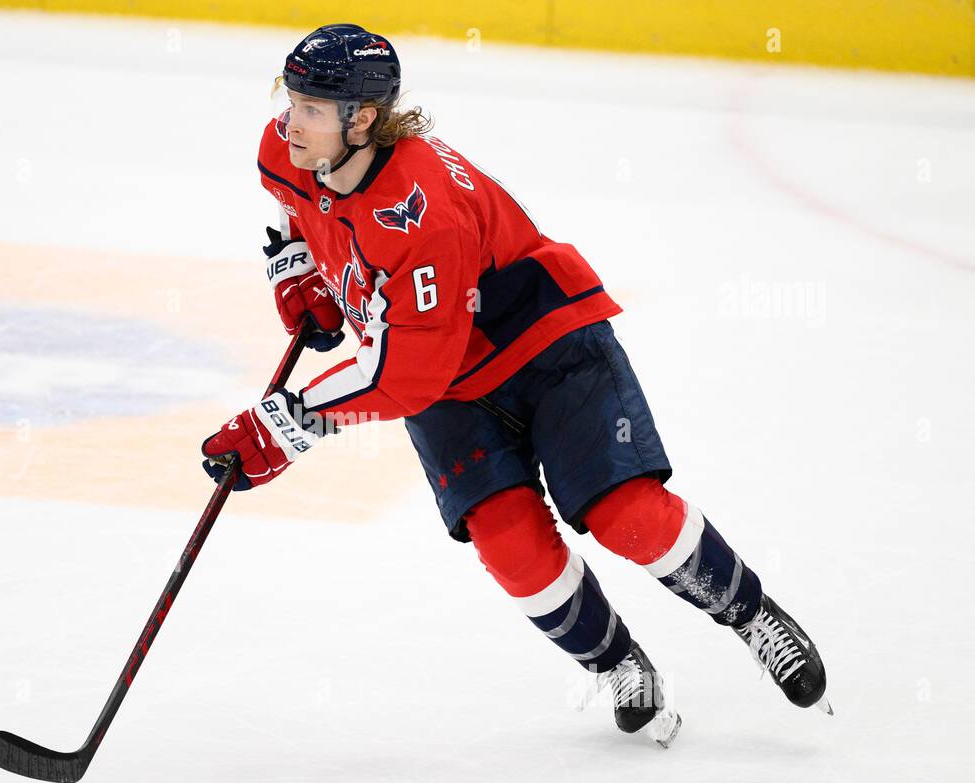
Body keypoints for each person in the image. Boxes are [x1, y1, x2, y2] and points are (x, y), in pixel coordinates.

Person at [200, 23, 830, 745]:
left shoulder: (422, 212)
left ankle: (753, 617)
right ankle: (620, 665)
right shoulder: (289, 148)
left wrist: (282, 426)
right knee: (507, 540)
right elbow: (290, 207)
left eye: (311, 107)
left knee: (625, 511)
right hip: (444, 371)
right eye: (292, 98)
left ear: (363, 119)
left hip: (542, 342)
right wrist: (299, 268)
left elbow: (405, 377)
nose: (289, 118)